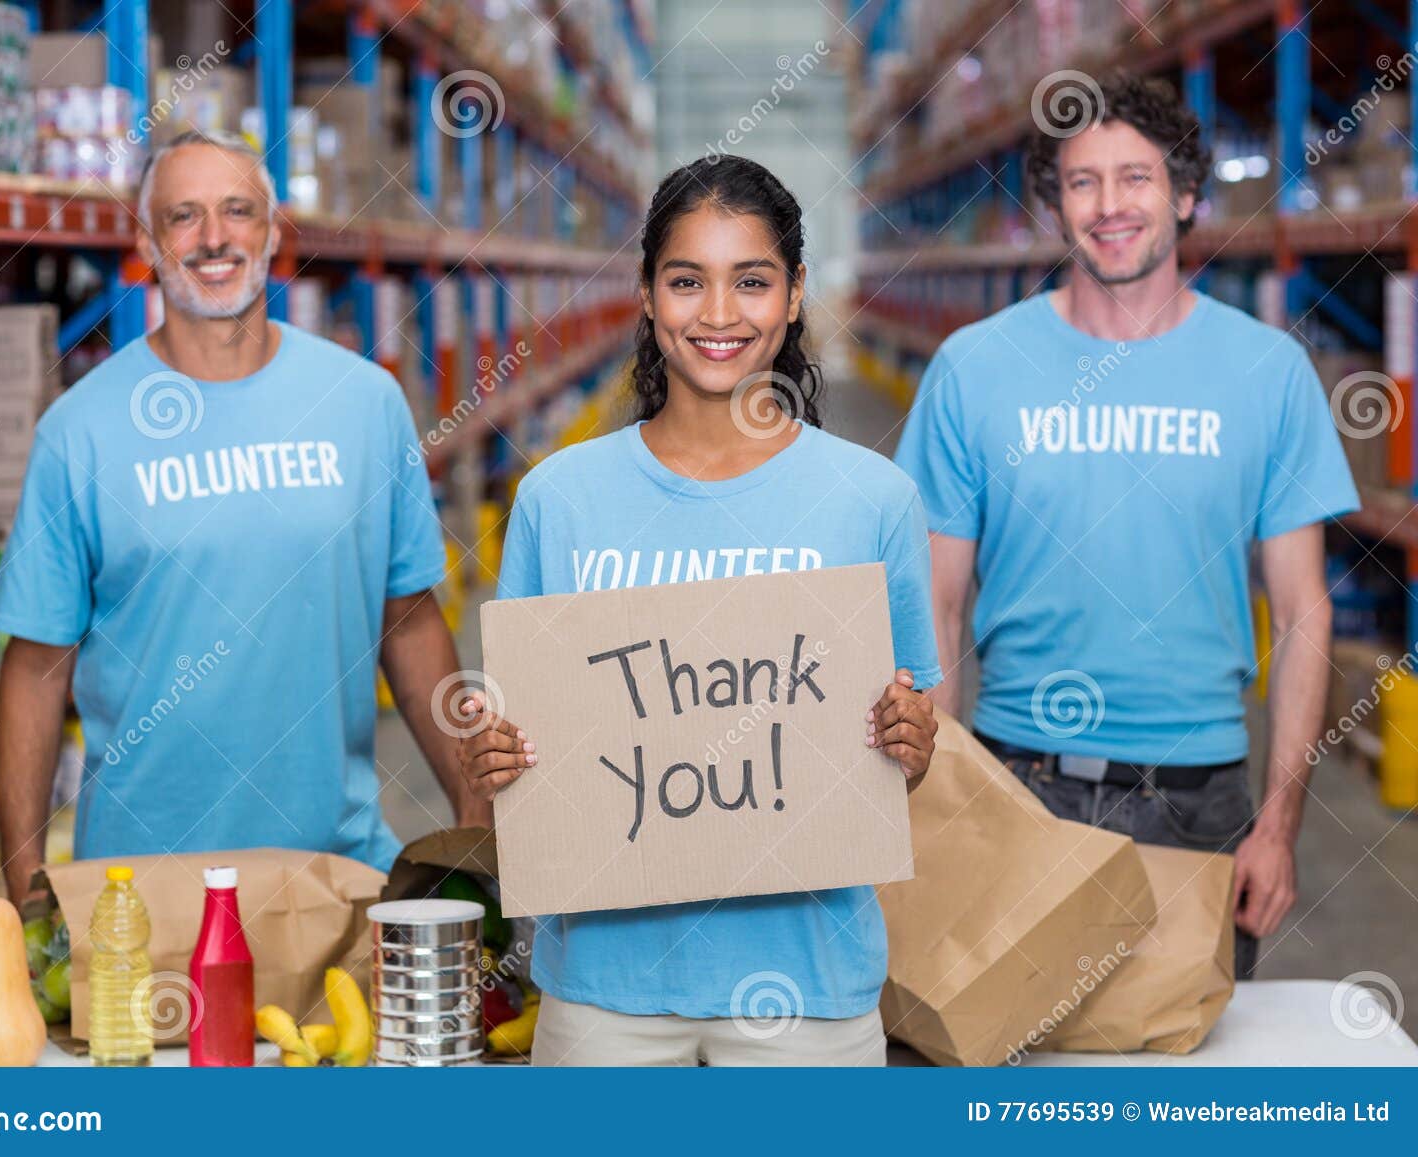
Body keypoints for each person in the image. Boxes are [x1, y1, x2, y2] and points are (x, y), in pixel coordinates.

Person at [458, 155, 941, 1066]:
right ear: (646, 294)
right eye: (687, 281)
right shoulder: (559, 500)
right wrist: (490, 756)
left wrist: (911, 744)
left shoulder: (871, 500)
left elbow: (904, 749)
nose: (718, 314)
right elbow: (518, 744)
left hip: (809, 993)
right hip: (607, 992)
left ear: (795, 294)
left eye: (751, 281)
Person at [895, 73, 1359, 978]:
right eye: (1082, 182)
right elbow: (934, 608)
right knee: (1003, 1096)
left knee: (1181, 1103)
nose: (1110, 206)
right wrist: (936, 809)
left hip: (1200, 804)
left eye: (1136, 178)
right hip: (1014, 785)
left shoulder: (1268, 373)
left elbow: (1306, 612)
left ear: (1185, 195)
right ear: (1055, 207)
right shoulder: (974, 369)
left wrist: (1280, 823)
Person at [0, 129, 486, 906]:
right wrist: (24, 886)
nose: (214, 237)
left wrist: (474, 811)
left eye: (237, 210)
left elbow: (411, 620)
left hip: (335, 871)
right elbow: (35, 668)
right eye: (183, 215)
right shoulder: (78, 432)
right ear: (146, 241)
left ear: (274, 230)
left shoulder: (361, 403)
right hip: (137, 891)